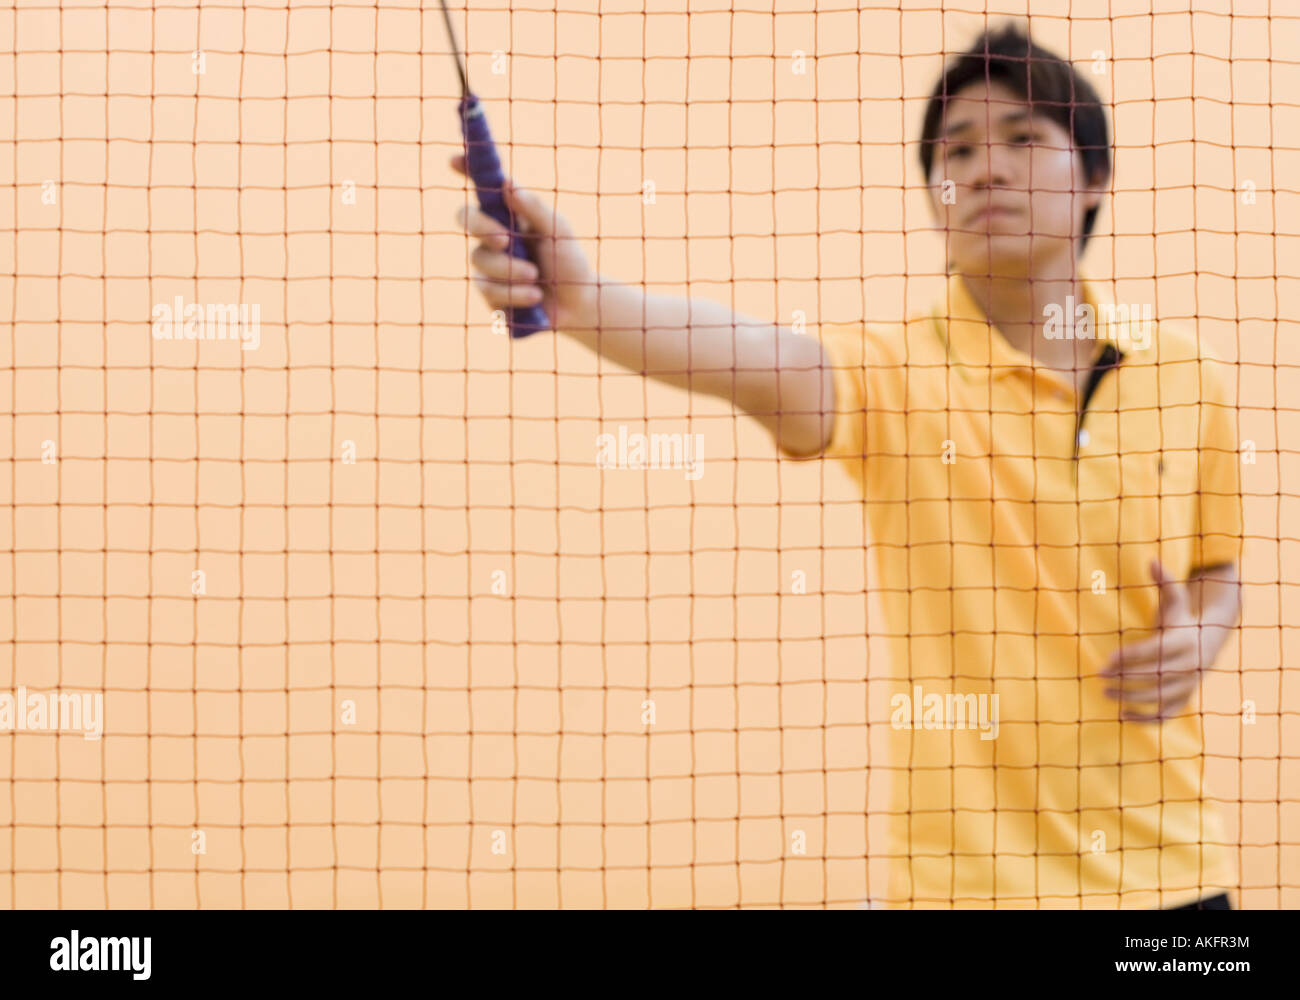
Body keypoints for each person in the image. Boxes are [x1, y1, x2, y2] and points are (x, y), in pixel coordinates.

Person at [450, 21, 1244, 909]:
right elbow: (760, 357)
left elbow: (1219, 566)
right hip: (970, 893)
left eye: (1024, 138)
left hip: (1182, 885)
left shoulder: (1187, 377)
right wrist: (586, 302)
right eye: (959, 151)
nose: (986, 168)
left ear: (1094, 178)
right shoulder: (892, 377)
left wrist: (1202, 635)